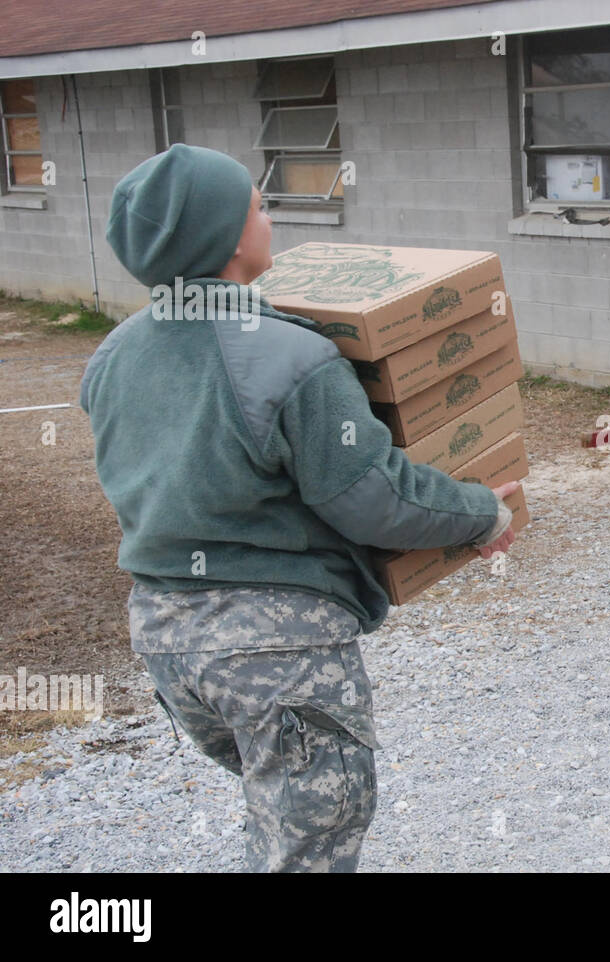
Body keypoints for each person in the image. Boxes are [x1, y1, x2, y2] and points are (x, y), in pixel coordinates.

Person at [79, 143, 519, 872]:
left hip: (165, 642)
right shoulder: (292, 358)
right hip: (276, 652)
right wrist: (480, 513)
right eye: (255, 205)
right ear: (222, 237)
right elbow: (372, 498)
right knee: (313, 837)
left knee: (278, 820)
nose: (269, 215)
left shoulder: (115, 354)